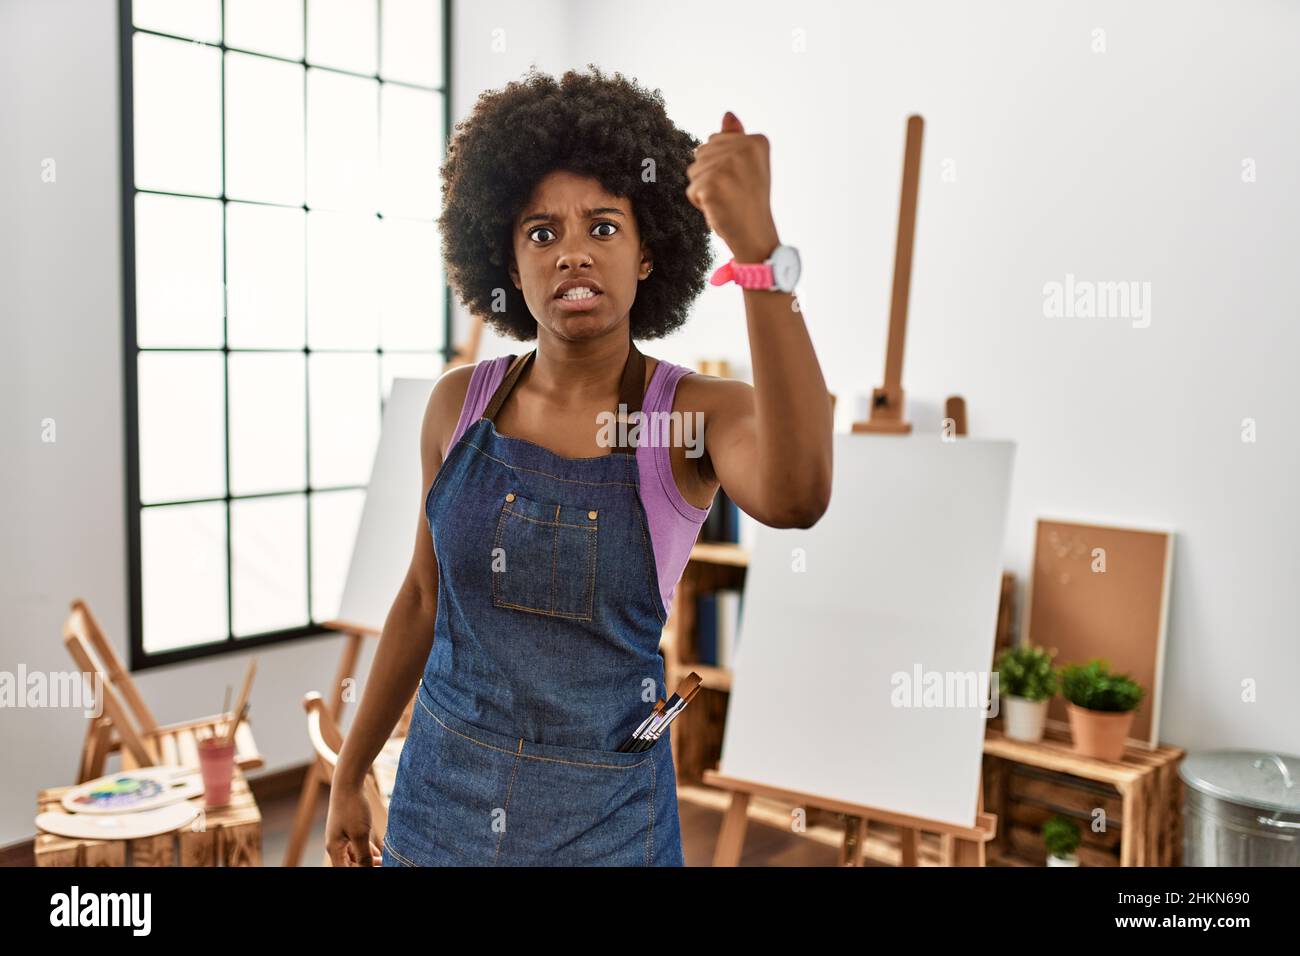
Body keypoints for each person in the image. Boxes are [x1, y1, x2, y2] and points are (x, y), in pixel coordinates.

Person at [325, 65, 832, 866]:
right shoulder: (457, 407)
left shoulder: (691, 416)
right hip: (439, 807)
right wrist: (348, 774)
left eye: (602, 227)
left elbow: (799, 495)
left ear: (647, 255)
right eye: (540, 233)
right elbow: (422, 601)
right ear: (508, 261)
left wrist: (760, 254)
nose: (571, 255)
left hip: (605, 825)